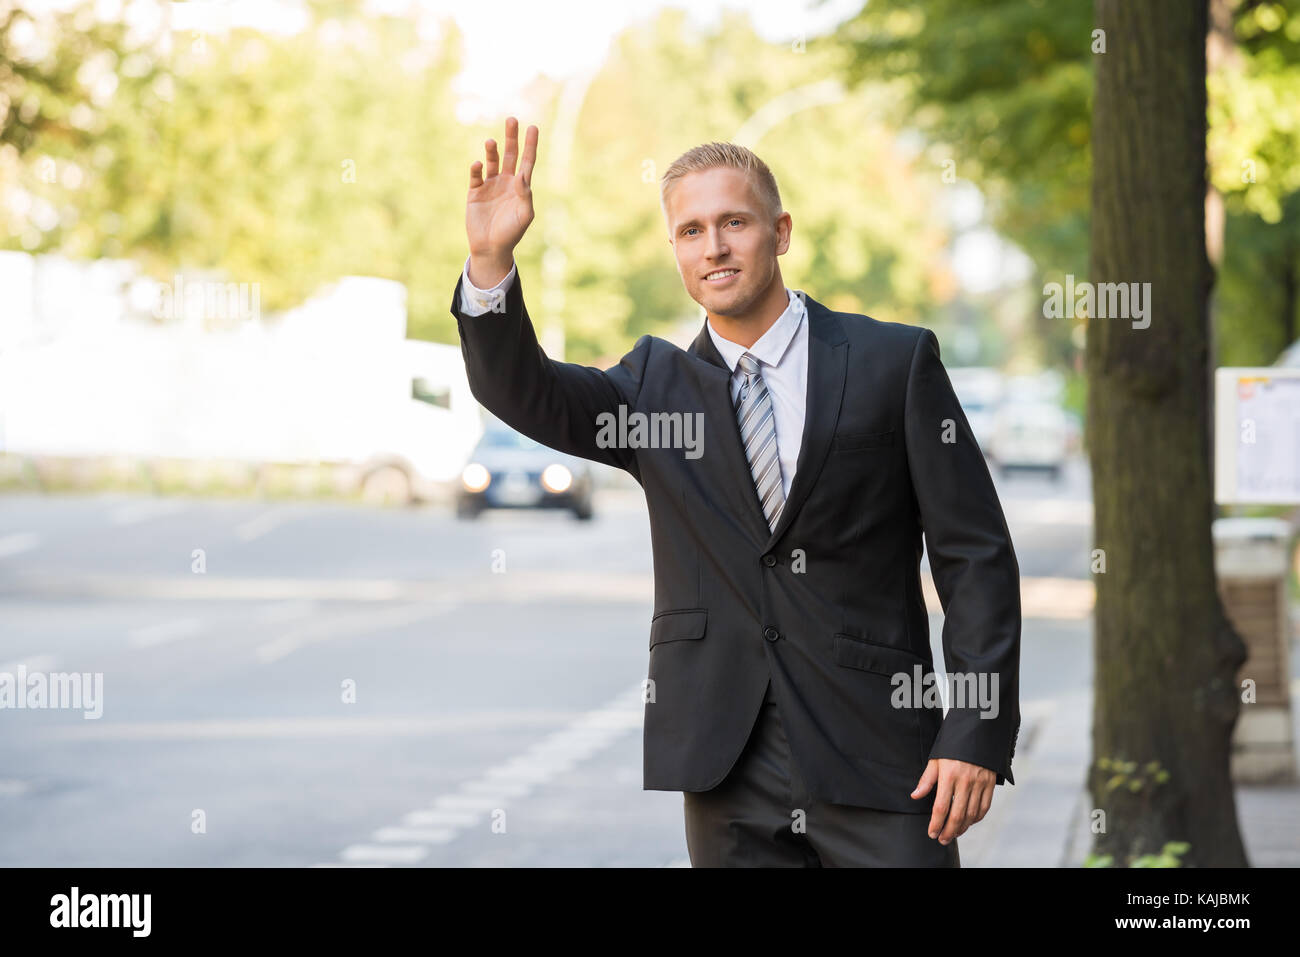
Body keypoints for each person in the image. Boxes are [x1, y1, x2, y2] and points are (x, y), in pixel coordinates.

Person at [452, 117, 1022, 867]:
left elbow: (973, 554)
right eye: (690, 231)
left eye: (733, 222)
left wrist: (975, 731)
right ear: (677, 251)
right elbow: (525, 390)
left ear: (780, 232)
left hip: (885, 756)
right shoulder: (654, 390)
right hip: (728, 765)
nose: (713, 247)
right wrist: (491, 263)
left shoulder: (894, 363)